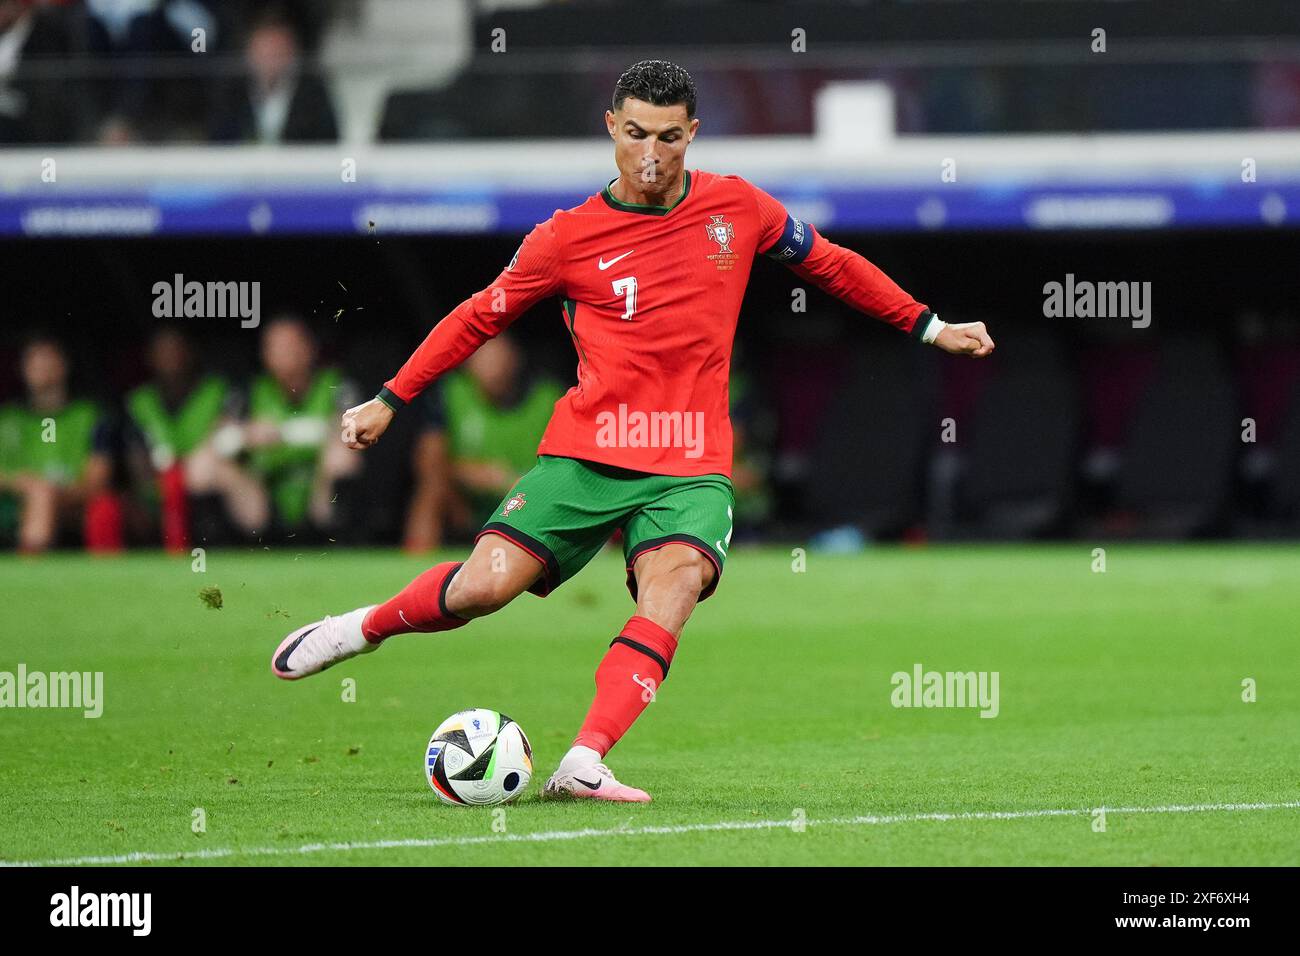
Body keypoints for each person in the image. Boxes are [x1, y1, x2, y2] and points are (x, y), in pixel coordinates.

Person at [271, 60, 995, 803]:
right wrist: (391, 397)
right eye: (638, 135)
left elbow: (832, 266)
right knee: (482, 590)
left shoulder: (736, 208)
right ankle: (360, 627)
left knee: (673, 587)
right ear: (613, 128)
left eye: (671, 137)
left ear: (693, 135)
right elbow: (478, 316)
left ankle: (584, 759)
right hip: (589, 452)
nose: (653, 155)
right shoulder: (566, 238)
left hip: (690, 460)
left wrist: (930, 325)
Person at [403, 333, 564, 551]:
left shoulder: (548, 398)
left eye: (497, 358)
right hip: (467, 501)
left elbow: (567, 467)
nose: (492, 369)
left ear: (514, 359)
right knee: (430, 487)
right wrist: (474, 475)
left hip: (530, 498)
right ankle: (415, 563)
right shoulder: (452, 393)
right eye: (483, 359)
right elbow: (428, 461)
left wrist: (519, 483)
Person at [0, 336, 119, 552]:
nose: (41, 367)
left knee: (103, 507)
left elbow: (98, 479)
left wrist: (52, 493)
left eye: (47, 359)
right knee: (39, 495)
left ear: (64, 365)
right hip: (11, 503)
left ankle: (32, 565)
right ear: (23, 368)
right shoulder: (7, 418)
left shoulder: (89, 416)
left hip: (71, 503)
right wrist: (25, 484)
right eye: (34, 361)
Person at [124, 327, 229, 550]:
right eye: (163, 352)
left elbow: (229, 438)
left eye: (176, 350)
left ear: (190, 353)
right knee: (168, 484)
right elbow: (135, 456)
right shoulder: (139, 401)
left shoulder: (217, 392)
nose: (171, 358)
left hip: (209, 489)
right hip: (159, 492)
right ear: (150, 358)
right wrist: (148, 490)